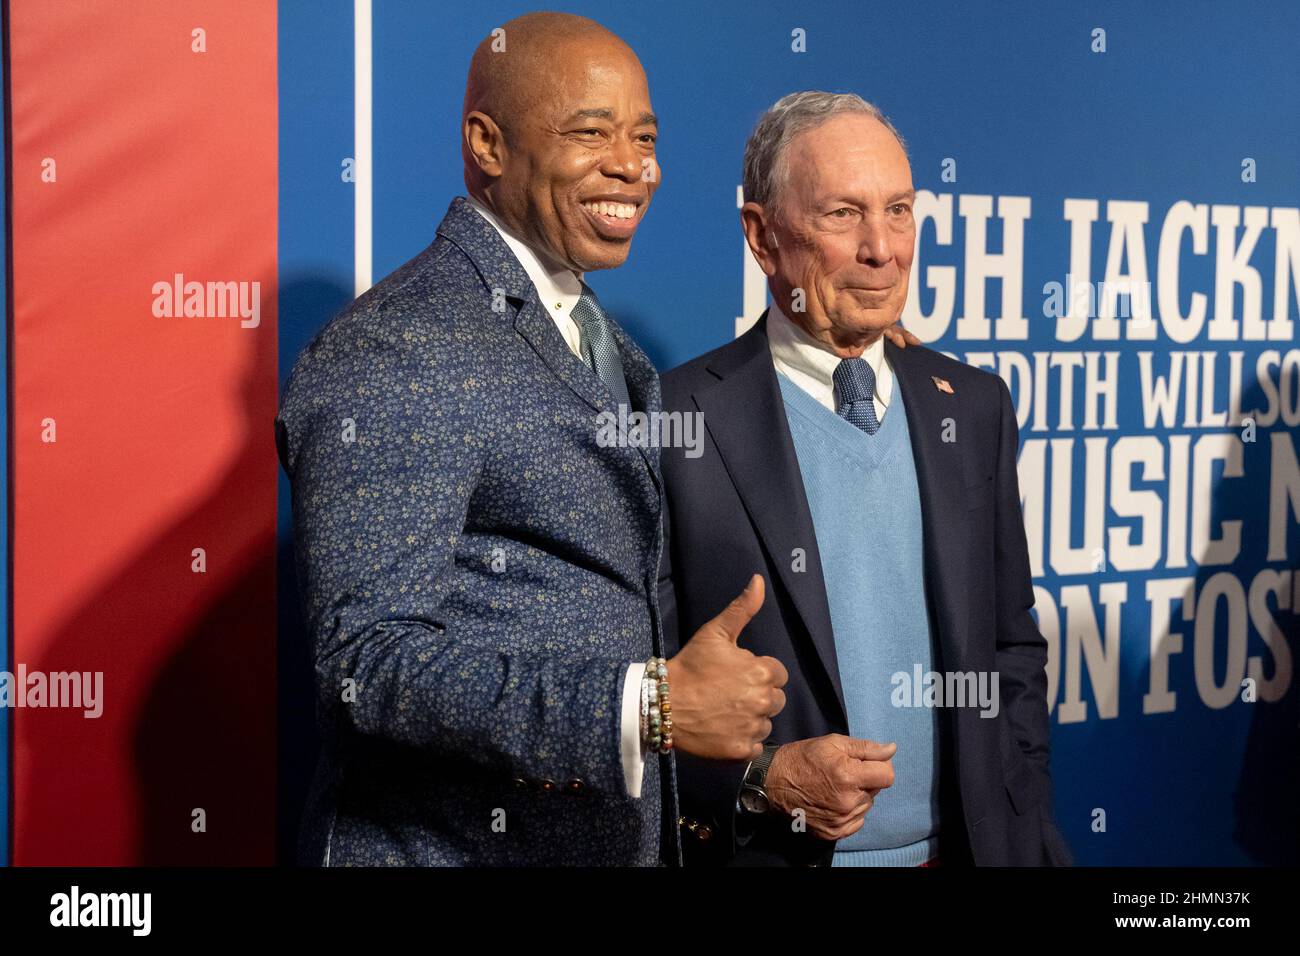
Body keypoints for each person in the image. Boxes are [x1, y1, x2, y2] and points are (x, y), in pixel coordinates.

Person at [275, 12, 792, 866]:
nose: (633, 165)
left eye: (644, 136)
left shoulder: (602, 339)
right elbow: (363, 665)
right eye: (591, 133)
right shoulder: (399, 345)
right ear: (487, 144)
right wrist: (647, 707)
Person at [658, 91, 1072, 867]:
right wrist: (759, 780)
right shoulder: (675, 421)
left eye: (900, 210)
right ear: (762, 235)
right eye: (843, 215)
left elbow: (1011, 647)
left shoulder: (973, 405)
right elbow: (634, 706)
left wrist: (1025, 824)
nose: (883, 249)